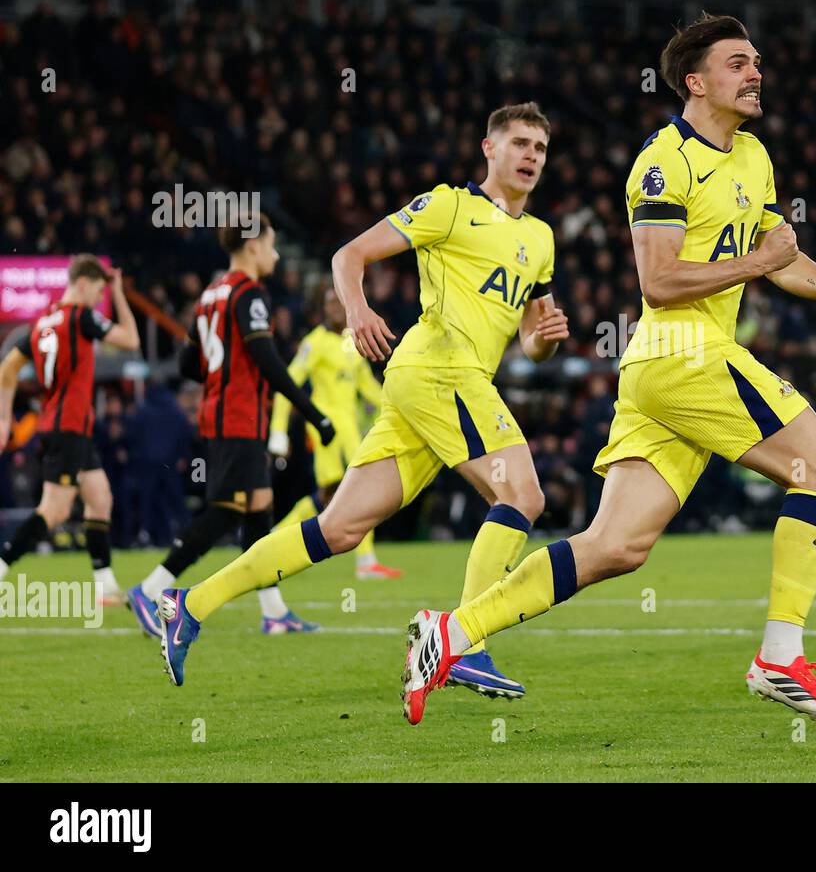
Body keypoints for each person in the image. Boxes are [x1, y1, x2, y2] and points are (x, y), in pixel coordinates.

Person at [391, 13, 816, 724]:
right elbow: (659, 280)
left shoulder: (753, 156)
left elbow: (781, 256)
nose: (756, 74)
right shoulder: (664, 162)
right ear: (696, 81)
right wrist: (759, 262)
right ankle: (780, 656)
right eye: (738, 63)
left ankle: (452, 631)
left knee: (614, 545)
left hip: (667, 372)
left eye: (757, 63)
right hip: (684, 352)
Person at [156, 103, 569, 696]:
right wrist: (358, 310)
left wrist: (544, 343)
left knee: (340, 528)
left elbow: (531, 342)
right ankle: (465, 642)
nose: (531, 156)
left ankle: (189, 603)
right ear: (489, 149)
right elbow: (348, 255)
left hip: (449, 384)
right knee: (522, 494)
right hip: (439, 371)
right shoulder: (451, 205)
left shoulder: (541, 238)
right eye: (520, 144)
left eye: (540, 148)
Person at [128, 216, 336, 639]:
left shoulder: (210, 295)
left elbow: (189, 363)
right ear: (254, 246)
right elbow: (268, 360)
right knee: (228, 511)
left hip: (221, 414)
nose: (276, 255)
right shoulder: (248, 293)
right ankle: (151, 589)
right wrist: (314, 414)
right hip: (238, 418)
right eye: (272, 245)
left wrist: (222, 375)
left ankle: (274, 611)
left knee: (258, 508)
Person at [0, 255, 140, 603]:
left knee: (99, 497)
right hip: (69, 426)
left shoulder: (41, 323)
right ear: (81, 284)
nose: (97, 299)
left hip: (63, 424)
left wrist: (3, 420)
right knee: (55, 511)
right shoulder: (81, 316)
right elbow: (130, 340)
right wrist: (119, 293)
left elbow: (7, 370)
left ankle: (105, 586)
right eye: (97, 290)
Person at [267, 285, 403, 580]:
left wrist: (397, 409)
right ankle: (274, 539)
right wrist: (278, 431)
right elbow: (286, 386)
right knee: (335, 494)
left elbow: (367, 385)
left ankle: (274, 538)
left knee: (346, 493)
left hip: (351, 431)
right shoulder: (313, 344)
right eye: (330, 303)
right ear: (321, 309)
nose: (336, 309)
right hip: (326, 431)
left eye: (340, 302)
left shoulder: (350, 341)